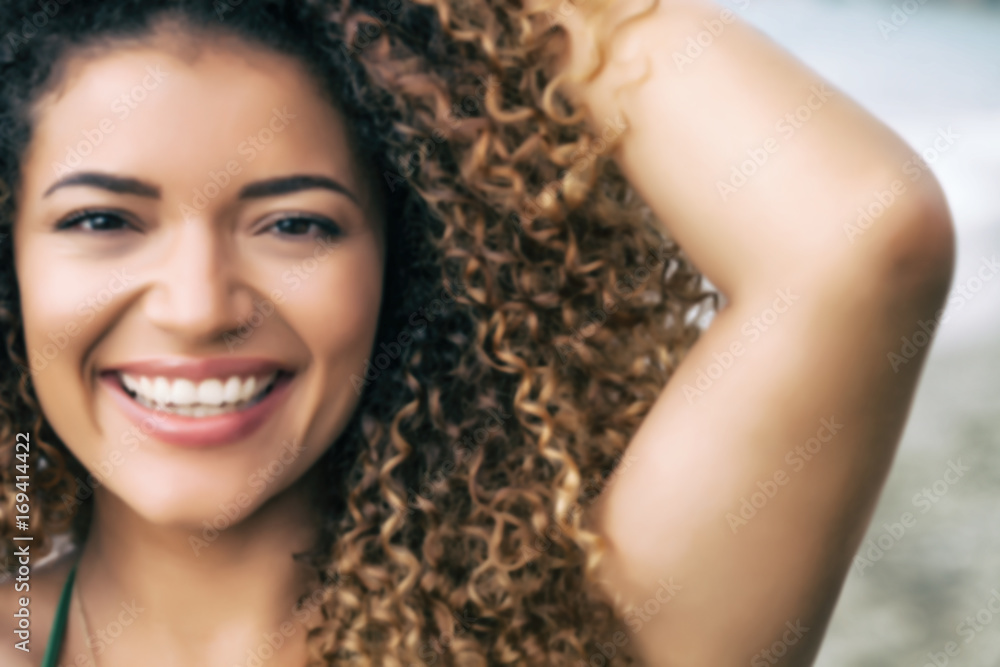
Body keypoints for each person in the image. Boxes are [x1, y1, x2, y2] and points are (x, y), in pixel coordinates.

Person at [0, 0, 954, 664]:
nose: (199, 305)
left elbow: (859, 237)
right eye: (101, 221)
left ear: (410, 271)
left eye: (297, 223)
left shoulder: (577, 637)